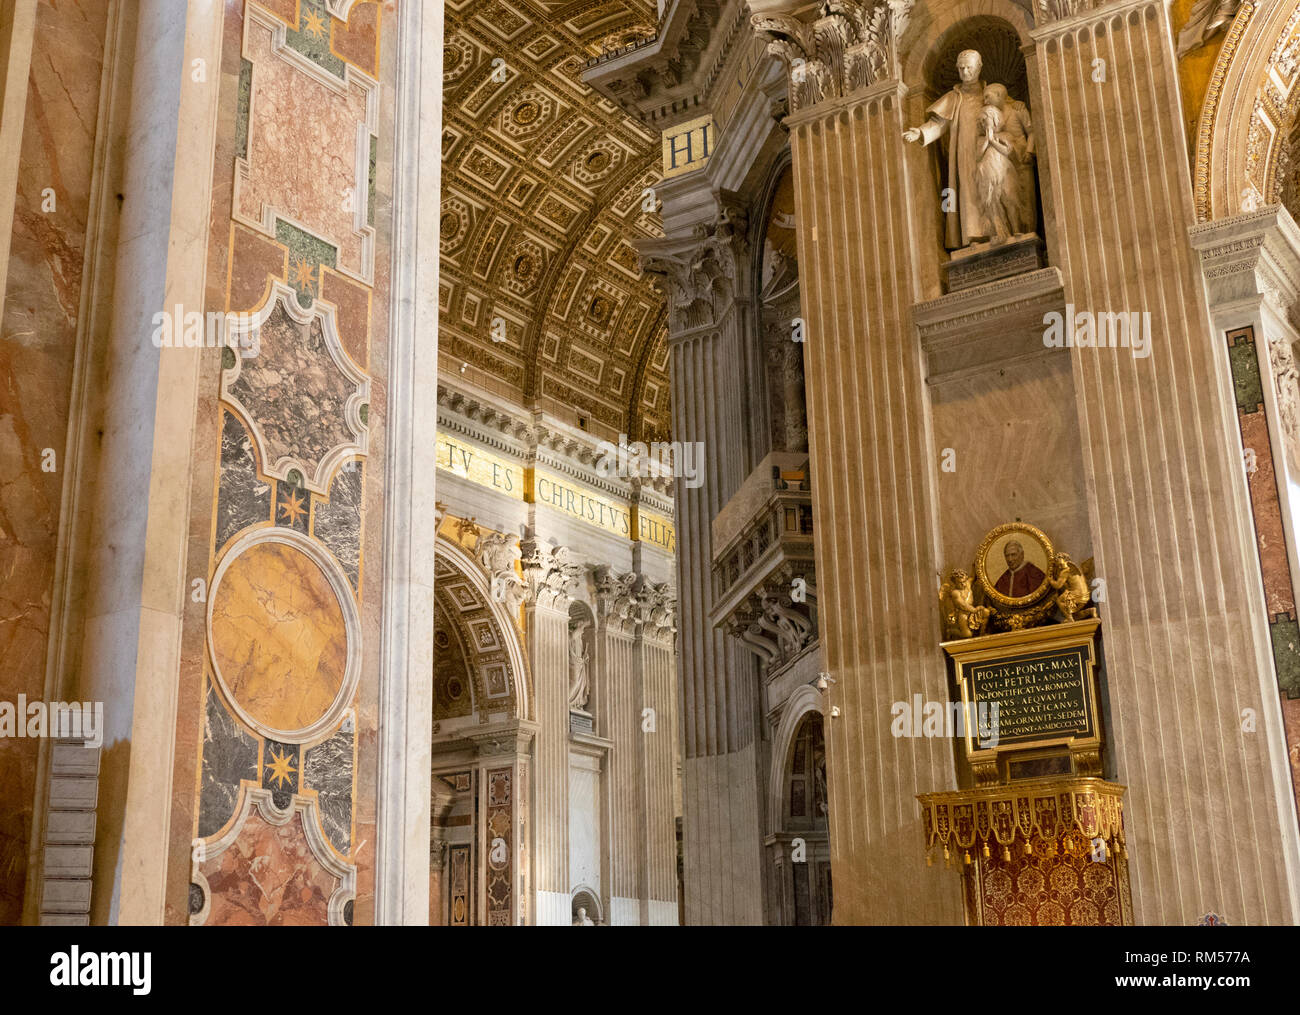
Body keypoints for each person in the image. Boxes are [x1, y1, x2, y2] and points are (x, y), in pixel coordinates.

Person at [902, 49, 990, 249]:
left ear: (979, 67)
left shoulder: (990, 92)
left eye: (969, 67)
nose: (965, 72)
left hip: (988, 150)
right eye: (961, 68)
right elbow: (939, 123)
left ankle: (999, 228)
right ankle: (974, 235)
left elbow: (1006, 107)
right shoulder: (954, 97)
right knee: (967, 190)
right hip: (964, 153)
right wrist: (921, 133)